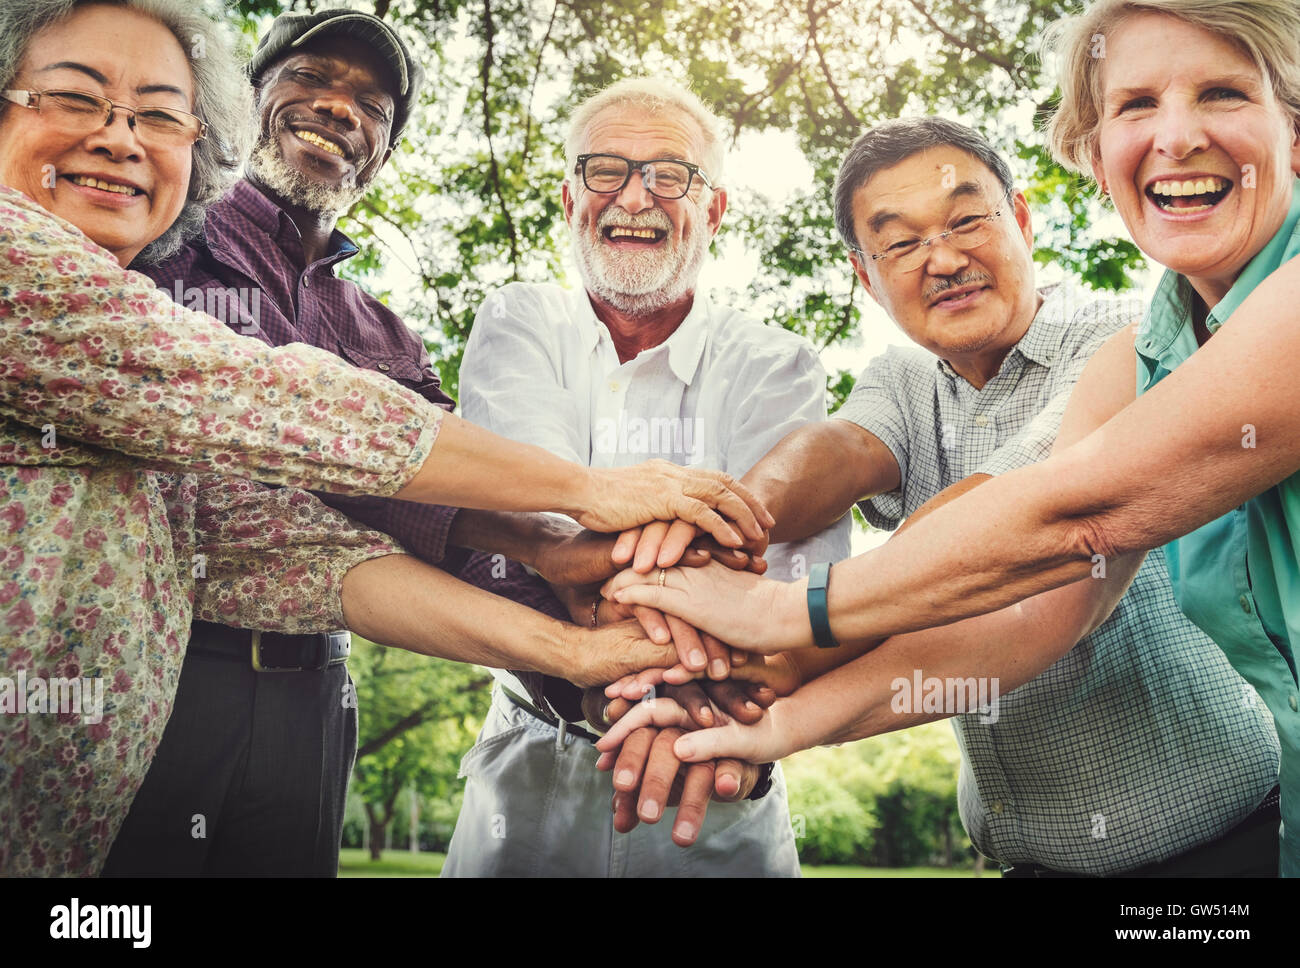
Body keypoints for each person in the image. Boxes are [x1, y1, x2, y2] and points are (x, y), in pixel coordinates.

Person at [0, 0, 769, 876]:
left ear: (385, 154)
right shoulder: (143, 237)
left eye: (372, 106)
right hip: (170, 671)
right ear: (236, 109)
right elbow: (247, 401)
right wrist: (580, 494)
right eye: (312, 79)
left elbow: (291, 538)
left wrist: (580, 640)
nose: (339, 108)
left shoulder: (384, 334)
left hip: (313, 681)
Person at [601, 0, 1300, 876]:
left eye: (967, 220)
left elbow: (1048, 515)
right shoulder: (955, 373)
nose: (941, 257)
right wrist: (722, 525)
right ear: (864, 277)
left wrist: (777, 626)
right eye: (900, 244)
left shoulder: (1118, 344)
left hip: (1216, 849)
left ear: (1025, 220)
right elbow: (848, 458)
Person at [439, 77, 850, 877]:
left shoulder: (778, 362)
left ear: (714, 211)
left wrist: (610, 592)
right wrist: (696, 566)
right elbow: (532, 513)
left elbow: (794, 574)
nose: (637, 196)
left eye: (670, 173)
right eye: (607, 171)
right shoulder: (520, 319)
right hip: (531, 764)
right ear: (569, 201)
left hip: (718, 763)